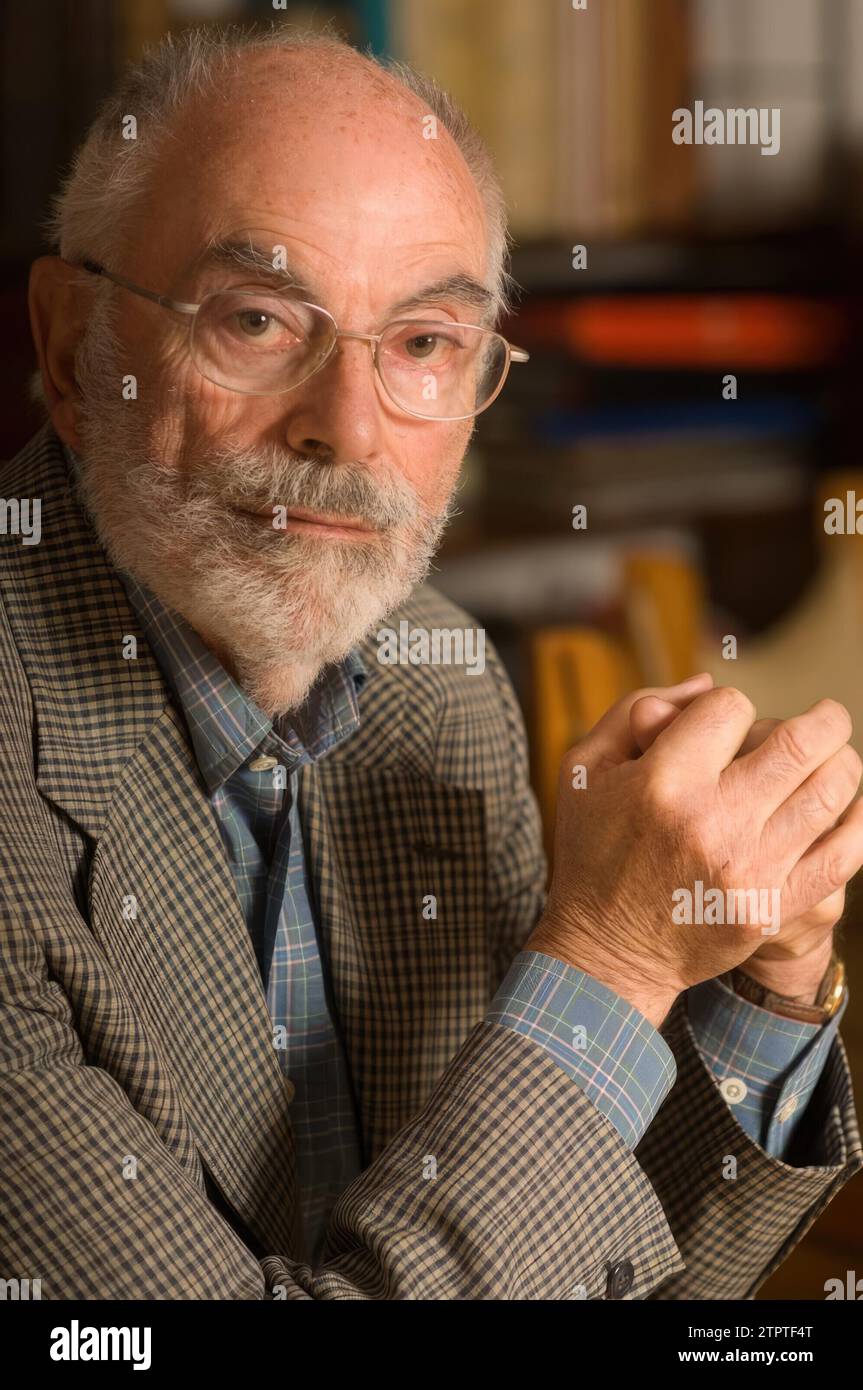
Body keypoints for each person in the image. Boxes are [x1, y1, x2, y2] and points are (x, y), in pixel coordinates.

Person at [1, 24, 860, 1300]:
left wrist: (751, 985)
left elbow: (568, 1269)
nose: (347, 431)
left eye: (420, 346)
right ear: (75, 352)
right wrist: (609, 965)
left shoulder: (433, 680)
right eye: (256, 319)